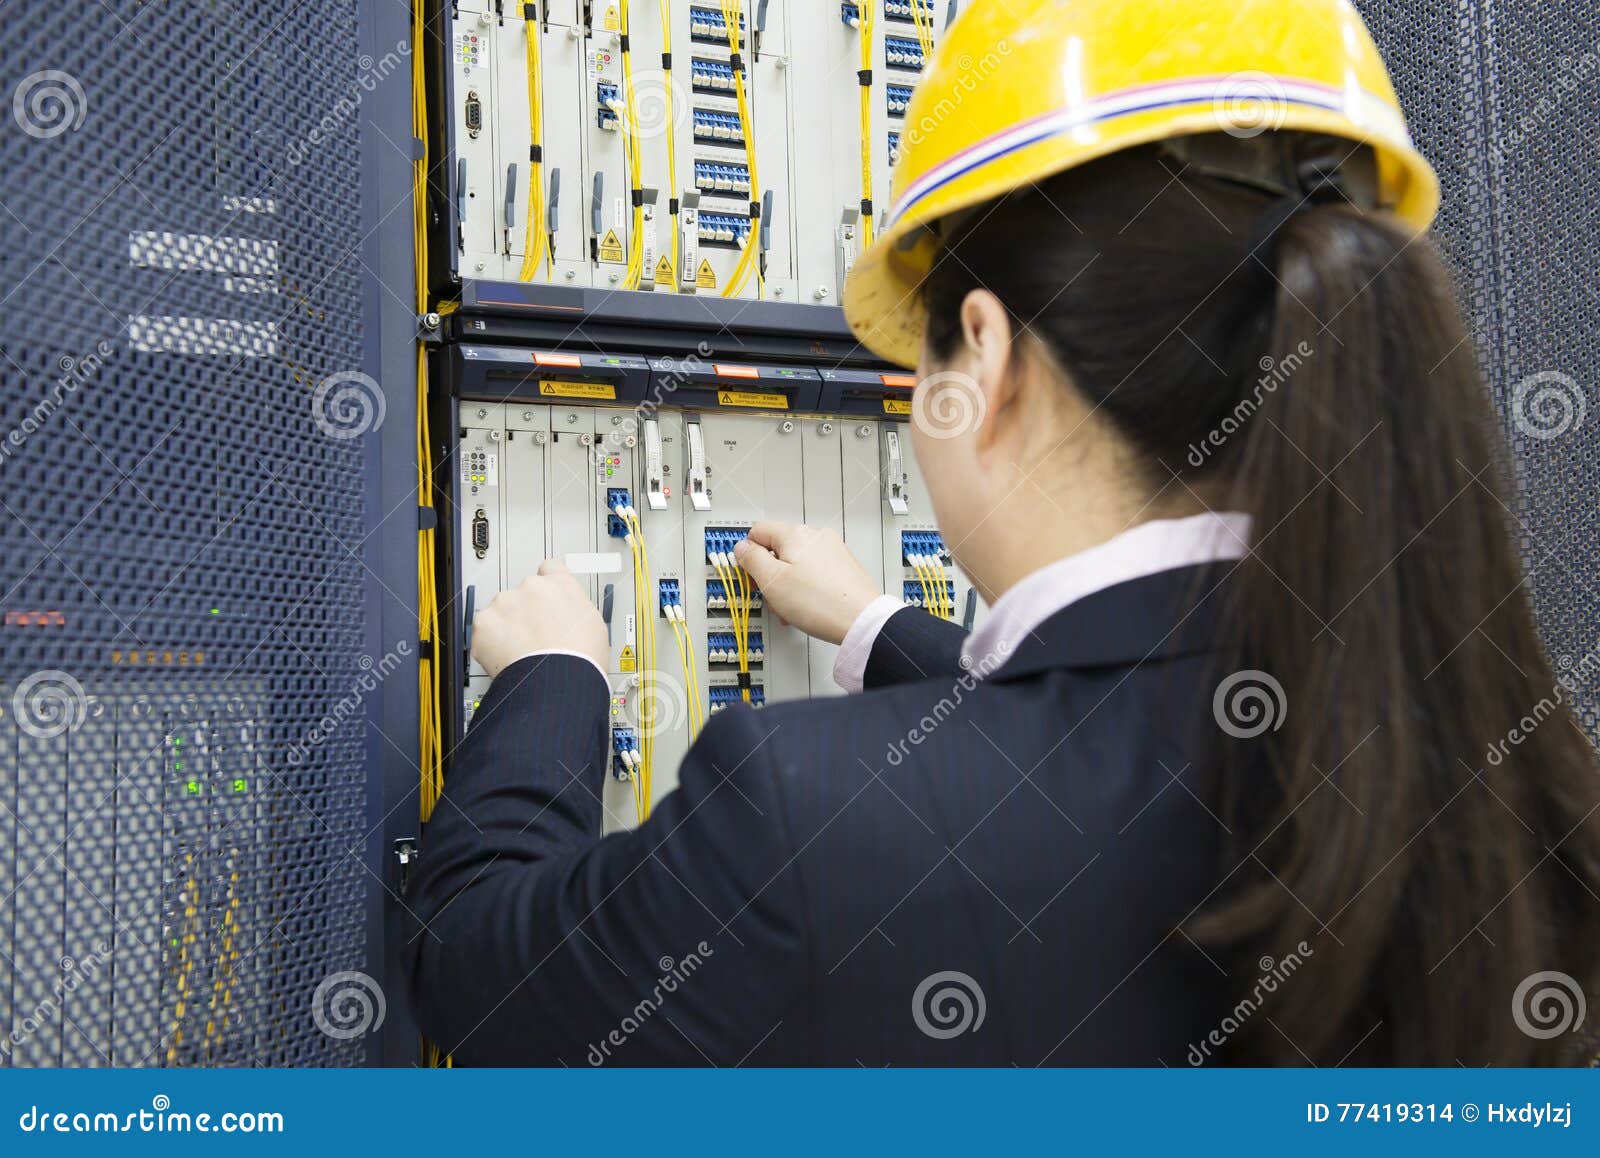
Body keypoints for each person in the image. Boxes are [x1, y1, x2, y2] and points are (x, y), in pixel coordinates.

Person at [407, 0, 1600, 1065]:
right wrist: (875, 629)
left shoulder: (797, 821)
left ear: (982, 357)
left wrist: (552, 681)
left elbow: (471, 966)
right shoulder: (1496, 767)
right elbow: (1110, 740)